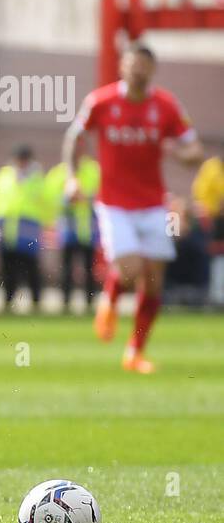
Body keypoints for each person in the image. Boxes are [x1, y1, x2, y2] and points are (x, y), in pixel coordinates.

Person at [63, 42, 204, 371]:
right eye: (132, 64)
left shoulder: (166, 106)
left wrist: (179, 153)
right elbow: (74, 138)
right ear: (122, 67)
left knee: (154, 281)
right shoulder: (102, 101)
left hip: (153, 204)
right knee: (130, 270)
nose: (137, 70)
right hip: (114, 204)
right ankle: (110, 299)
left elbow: (194, 150)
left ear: (152, 70)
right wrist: (72, 178)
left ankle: (135, 351)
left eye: (144, 65)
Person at [0, 145, 48, 312]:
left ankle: (36, 301)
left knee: (31, 269)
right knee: (8, 269)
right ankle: (8, 301)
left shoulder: (37, 178)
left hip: (28, 230)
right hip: (8, 229)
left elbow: (45, 202)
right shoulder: (4, 175)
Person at [47, 154, 101, 312]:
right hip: (67, 231)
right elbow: (49, 198)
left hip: (87, 231)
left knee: (89, 269)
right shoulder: (58, 173)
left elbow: (102, 194)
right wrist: (66, 198)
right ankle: (65, 303)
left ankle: (90, 303)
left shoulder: (93, 171)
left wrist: (85, 198)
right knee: (66, 268)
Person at [192, 153, 224, 305]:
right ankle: (214, 293)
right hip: (211, 218)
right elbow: (200, 194)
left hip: (216, 217)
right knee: (213, 254)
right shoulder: (212, 168)